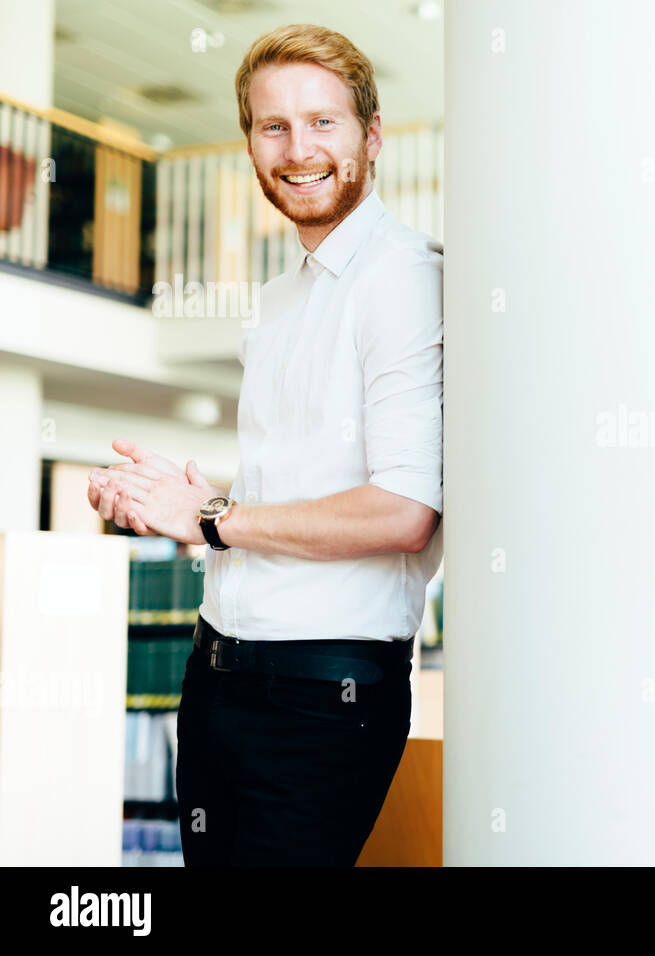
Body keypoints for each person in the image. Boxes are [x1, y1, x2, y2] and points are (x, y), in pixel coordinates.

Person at [85, 22, 443, 866]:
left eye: (324, 122)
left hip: (325, 692)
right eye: (272, 125)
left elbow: (403, 511)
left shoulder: (404, 280)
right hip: (217, 669)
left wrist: (209, 516)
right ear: (248, 142)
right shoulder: (280, 299)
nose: (298, 148)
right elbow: (291, 490)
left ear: (373, 136)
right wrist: (174, 494)